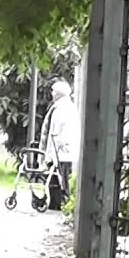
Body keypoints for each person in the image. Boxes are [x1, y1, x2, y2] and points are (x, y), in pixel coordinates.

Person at [41, 80, 79, 210]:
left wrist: (59, 145)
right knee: (56, 177)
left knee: (61, 177)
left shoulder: (64, 108)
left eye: (53, 91)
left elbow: (63, 130)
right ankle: (55, 202)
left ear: (58, 93)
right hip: (59, 150)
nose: (52, 94)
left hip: (62, 151)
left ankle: (61, 202)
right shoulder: (62, 106)